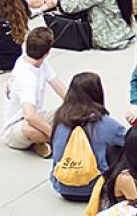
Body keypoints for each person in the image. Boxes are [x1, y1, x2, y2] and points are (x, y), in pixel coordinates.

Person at [46, 72, 129, 201]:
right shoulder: (104, 122)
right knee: (119, 147)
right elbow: (130, 140)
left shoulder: (59, 119)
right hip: (94, 189)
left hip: (62, 187)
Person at [1, 27, 65, 157]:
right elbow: (29, 115)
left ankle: (39, 143)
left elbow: (61, 89)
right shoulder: (27, 77)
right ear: (48, 52)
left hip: (39, 116)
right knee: (29, 128)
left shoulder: (41, 64)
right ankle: (50, 141)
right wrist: (53, 134)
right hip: (17, 127)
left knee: (71, 110)